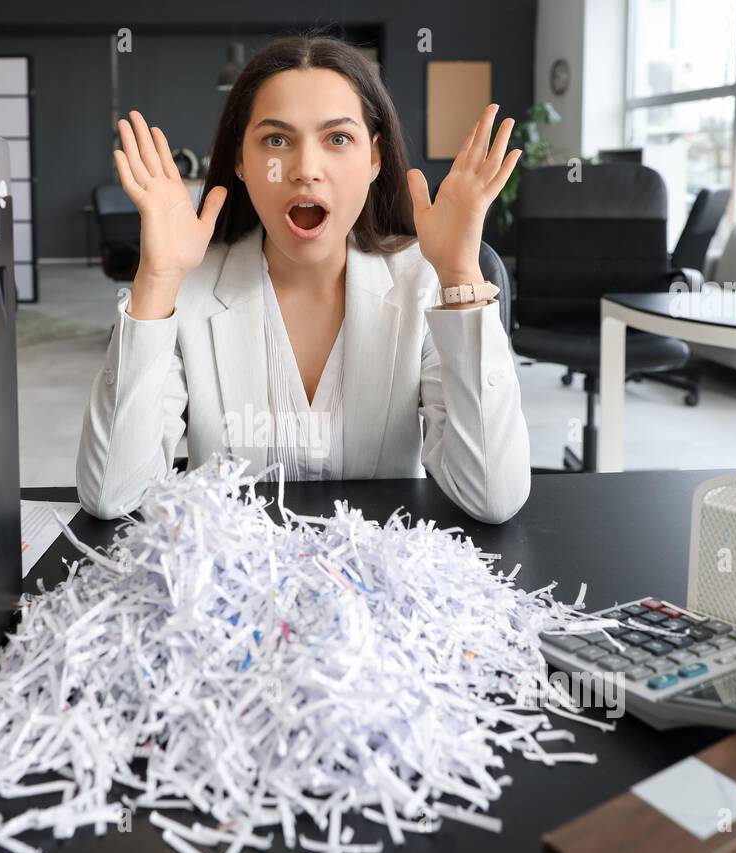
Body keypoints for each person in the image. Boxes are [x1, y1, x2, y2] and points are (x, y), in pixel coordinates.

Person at [77, 34, 531, 524]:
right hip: (233, 581)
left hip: (380, 581)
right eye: (276, 140)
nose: (306, 170)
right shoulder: (188, 288)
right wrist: (157, 280)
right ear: (240, 161)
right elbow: (112, 495)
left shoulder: (423, 281)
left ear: (375, 159)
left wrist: (459, 273)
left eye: (338, 139)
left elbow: (492, 497)